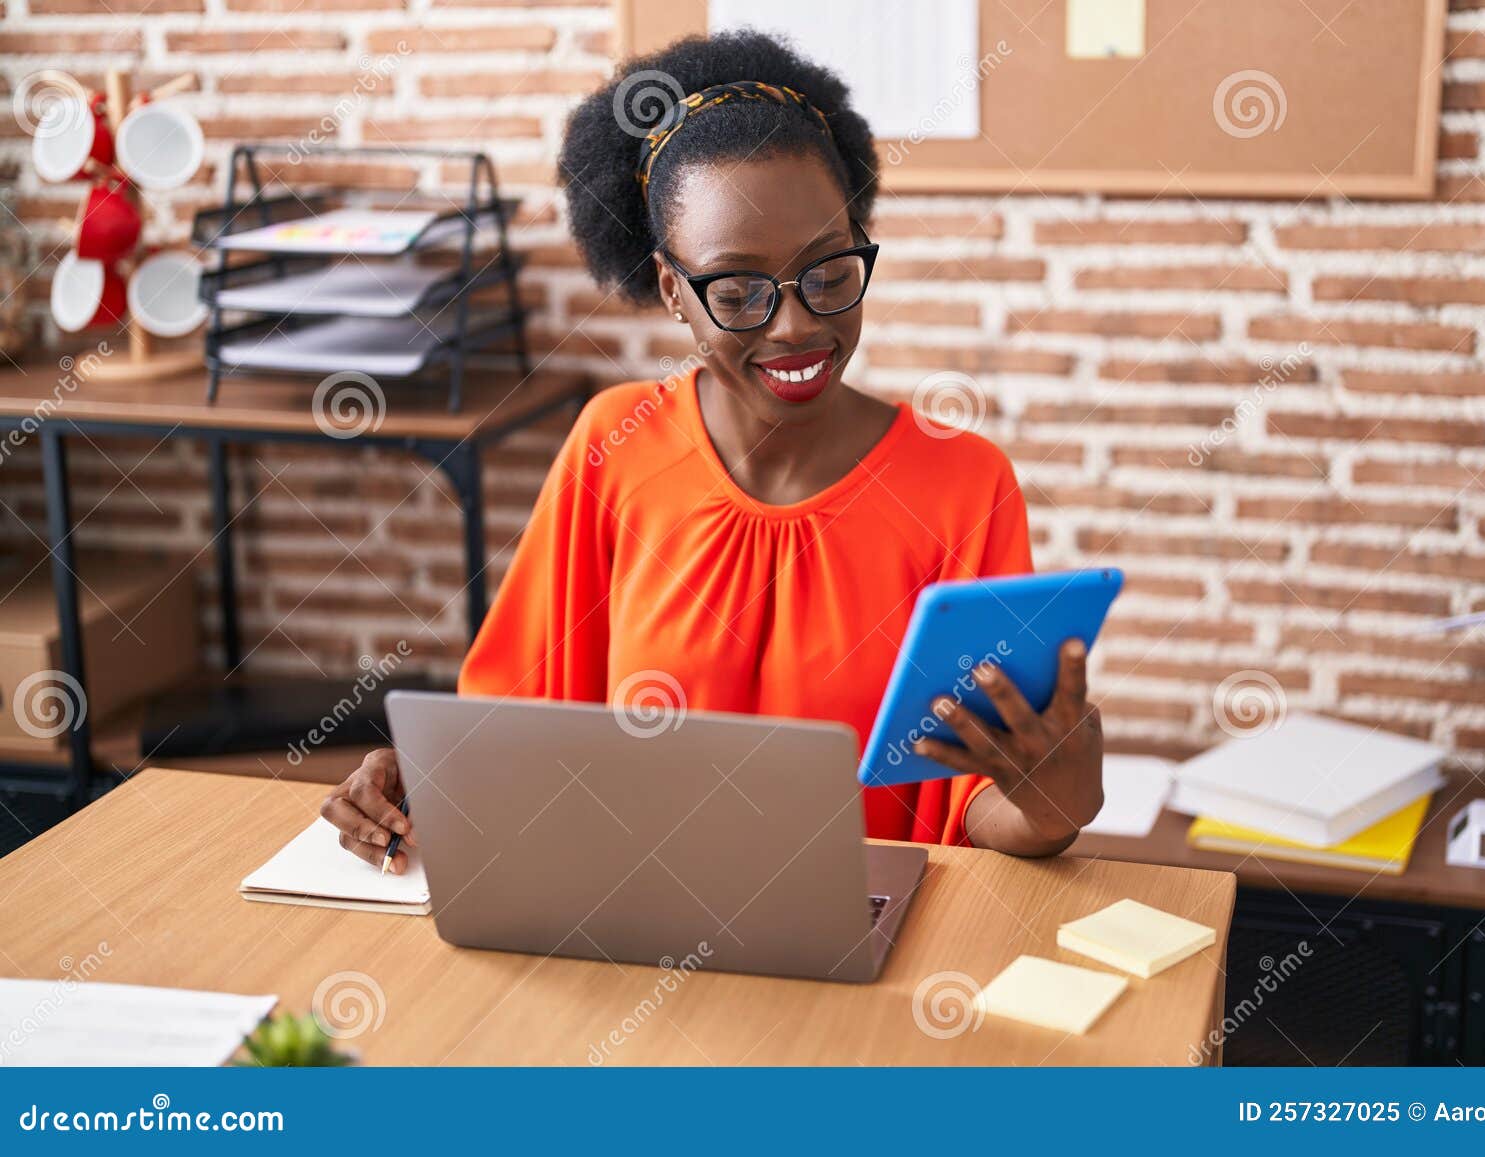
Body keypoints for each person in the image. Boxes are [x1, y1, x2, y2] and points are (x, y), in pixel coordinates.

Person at [322, 31, 1104, 872]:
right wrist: (423, 782)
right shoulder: (613, 449)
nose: (796, 323)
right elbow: (518, 726)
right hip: (627, 914)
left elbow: (980, 809)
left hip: (870, 947)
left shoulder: (959, 483)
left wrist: (1053, 798)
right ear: (672, 291)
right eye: (737, 291)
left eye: (831, 272)